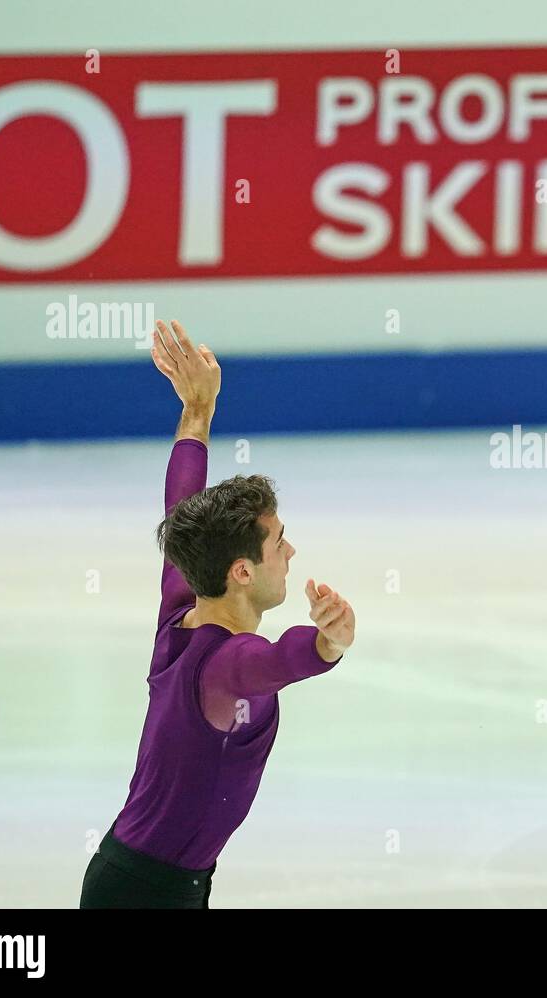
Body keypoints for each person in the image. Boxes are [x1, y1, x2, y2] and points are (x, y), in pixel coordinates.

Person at [79, 319, 356, 906]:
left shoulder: (183, 608)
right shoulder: (226, 663)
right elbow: (277, 661)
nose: (291, 551)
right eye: (278, 540)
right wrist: (327, 644)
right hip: (145, 895)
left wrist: (197, 415)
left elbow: (183, 508)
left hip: (153, 882)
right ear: (242, 571)